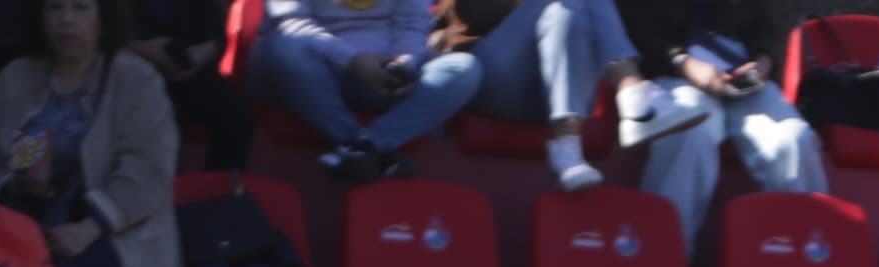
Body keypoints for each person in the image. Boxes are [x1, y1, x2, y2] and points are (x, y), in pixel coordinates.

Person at [0, 0, 183, 267]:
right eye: (54, 9)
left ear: (103, 21)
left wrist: (88, 228)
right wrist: (19, 184)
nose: (66, 20)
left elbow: (148, 173)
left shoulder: (136, 79)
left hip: (115, 232)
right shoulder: (15, 78)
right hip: (27, 226)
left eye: (81, 9)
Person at [611, 1, 820, 244]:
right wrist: (681, 61)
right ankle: (664, 259)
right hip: (673, 75)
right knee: (690, 136)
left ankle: (803, 262)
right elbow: (634, 28)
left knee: (793, 140)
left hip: (743, 80)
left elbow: (766, 24)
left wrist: (764, 61)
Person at [415, 0, 643, 193]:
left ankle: (567, 145)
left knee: (565, 11)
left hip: (554, 93)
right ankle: (630, 86)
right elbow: (474, 16)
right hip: (487, 81)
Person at [255, 0, 472, 184]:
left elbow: (413, 23)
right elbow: (290, 23)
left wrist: (405, 63)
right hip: (319, 77)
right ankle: (367, 149)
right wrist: (354, 60)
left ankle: (364, 147)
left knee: (464, 68)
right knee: (284, 48)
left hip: (388, 76)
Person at [122, 0, 247, 177]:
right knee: (161, 125)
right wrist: (148, 51)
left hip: (188, 65)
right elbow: (101, 37)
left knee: (235, 114)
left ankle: (218, 190)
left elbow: (217, 36)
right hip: (131, 69)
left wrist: (200, 55)